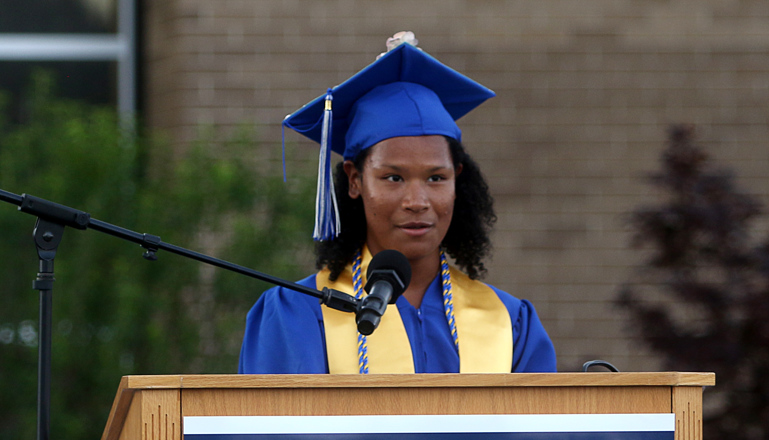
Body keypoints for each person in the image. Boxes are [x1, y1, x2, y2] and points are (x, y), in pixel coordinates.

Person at [238, 33, 557, 374]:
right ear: (355, 180)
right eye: (393, 177)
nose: (417, 202)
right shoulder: (299, 312)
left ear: (457, 179)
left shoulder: (510, 323)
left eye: (436, 178)